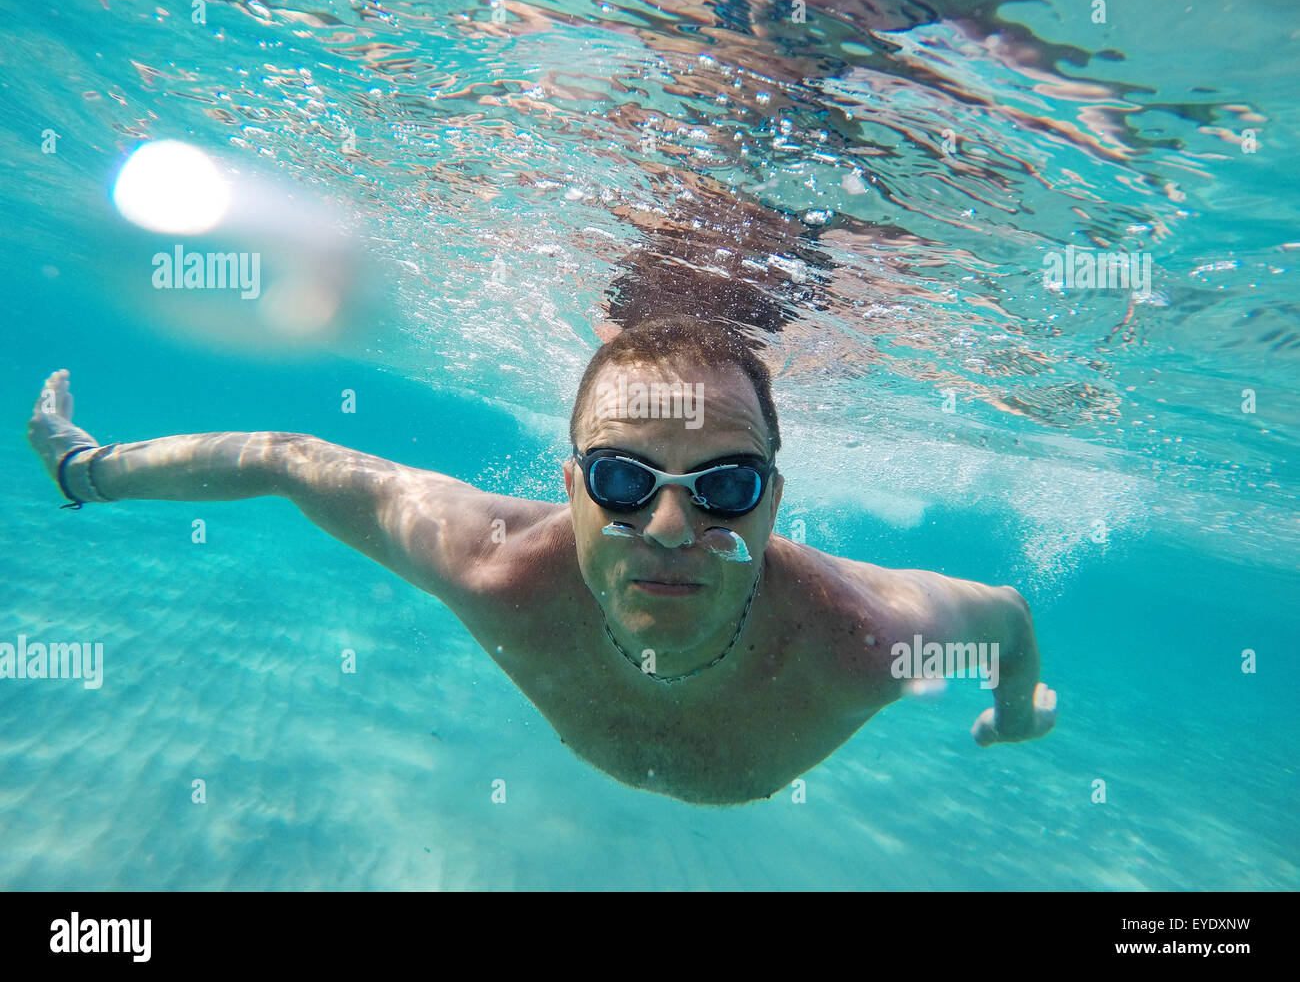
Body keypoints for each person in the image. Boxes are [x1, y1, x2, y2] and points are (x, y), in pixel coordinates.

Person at [26, 316, 1055, 805]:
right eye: (619, 480)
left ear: (774, 506)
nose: (664, 528)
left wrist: (1013, 717)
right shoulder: (491, 565)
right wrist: (83, 470)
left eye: (726, 488)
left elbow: (1004, 615)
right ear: (567, 492)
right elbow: (287, 460)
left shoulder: (865, 640)